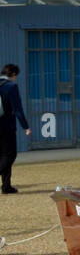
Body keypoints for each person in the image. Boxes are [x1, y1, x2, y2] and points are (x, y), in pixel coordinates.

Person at [1, 63, 31, 195]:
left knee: (1, 156)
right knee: (10, 155)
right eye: (15, 76)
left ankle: (7, 186)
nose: (15, 79)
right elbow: (17, 109)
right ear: (13, 75)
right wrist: (25, 126)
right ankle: (6, 186)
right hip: (6, 126)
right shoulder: (11, 87)